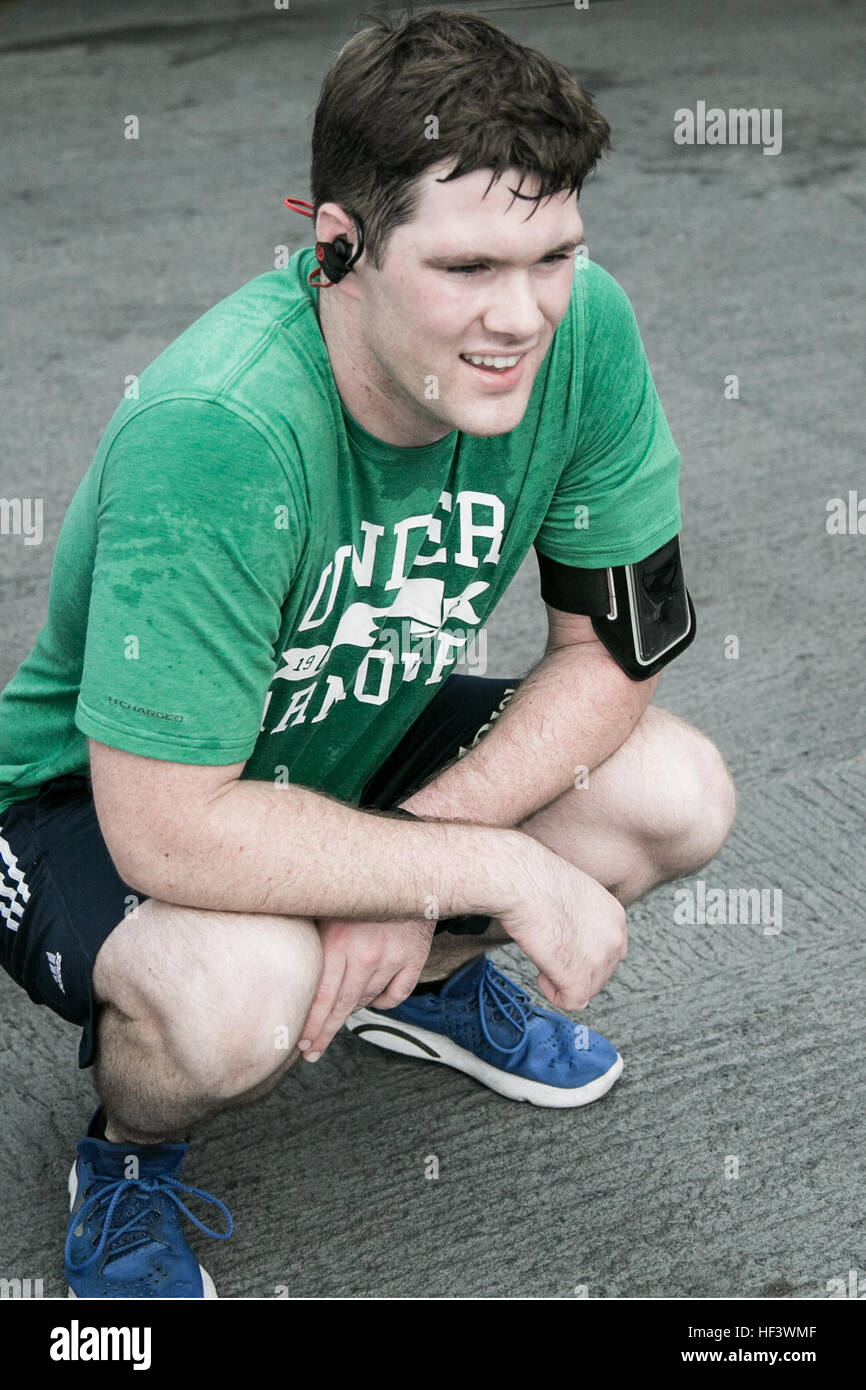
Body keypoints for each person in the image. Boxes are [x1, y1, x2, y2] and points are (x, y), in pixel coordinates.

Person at [0, 8, 735, 1299]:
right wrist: (483, 859)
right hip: (92, 800)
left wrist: (417, 875)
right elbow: (165, 828)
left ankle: (418, 980)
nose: (522, 315)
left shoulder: (587, 332)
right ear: (335, 246)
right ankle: (126, 1157)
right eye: (465, 269)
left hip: (345, 734)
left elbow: (613, 655)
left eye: (553, 252)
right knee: (238, 994)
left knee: (673, 795)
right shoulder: (217, 428)